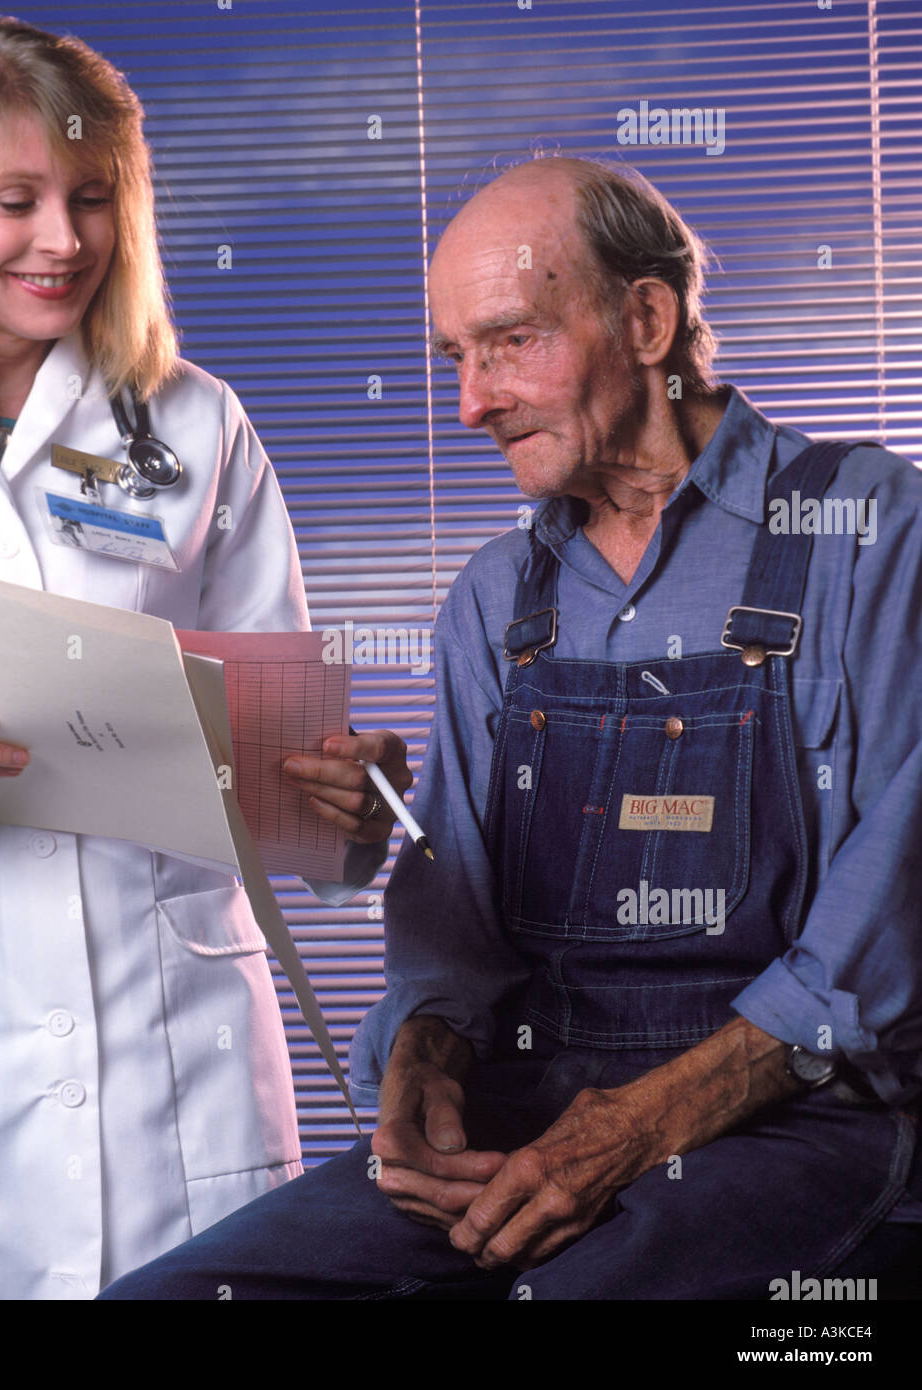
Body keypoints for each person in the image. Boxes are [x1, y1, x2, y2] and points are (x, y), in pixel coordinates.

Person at [100, 155, 922, 1300]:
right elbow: (460, 926)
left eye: (509, 343)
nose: (470, 403)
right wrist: (426, 1058)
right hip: (526, 1117)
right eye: (455, 359)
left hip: (796, 1121)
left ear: (646, 319)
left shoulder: (866, 529)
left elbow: (890, 927)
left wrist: (639, 1126)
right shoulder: (497, 598)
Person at [0, 13, 411, 1300]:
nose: (64, 240)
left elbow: (292, 789)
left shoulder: (194, 426)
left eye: (94, 199)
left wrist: (341, 799)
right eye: (18, 198)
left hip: (175, 1070)